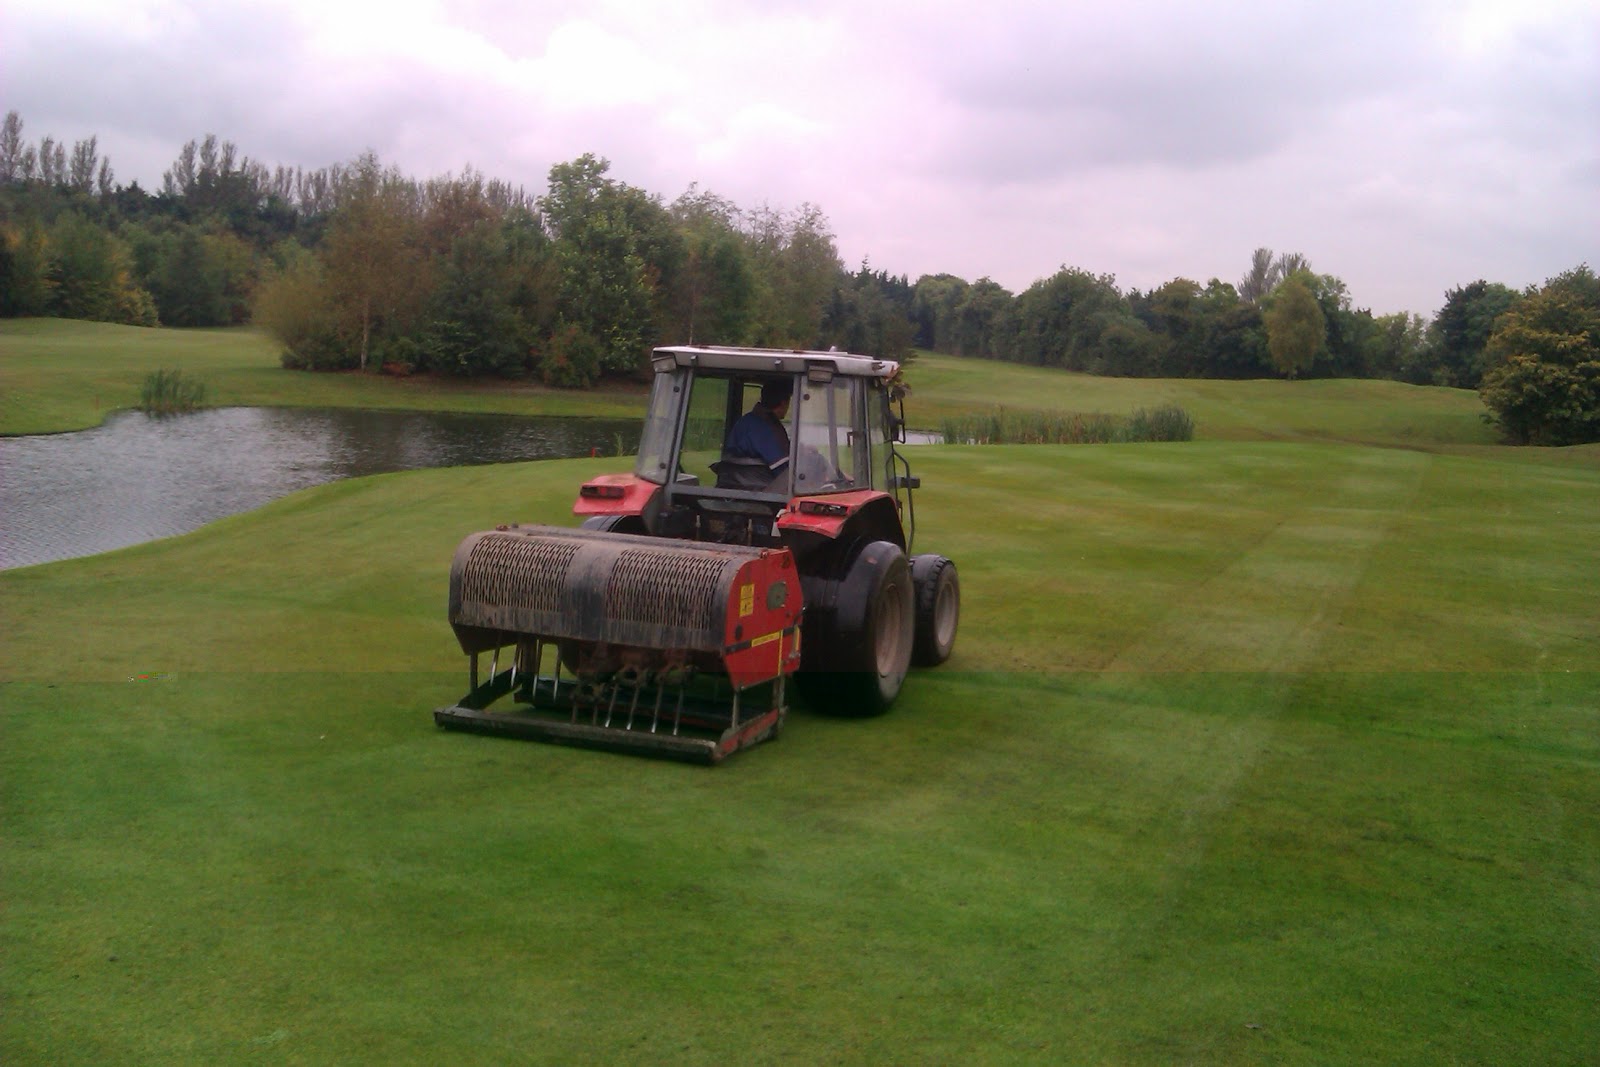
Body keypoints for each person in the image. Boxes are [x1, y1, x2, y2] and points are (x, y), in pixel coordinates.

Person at [722, 379, 793, 485]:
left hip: (732, 489)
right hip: (764, 493)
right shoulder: (771, 428)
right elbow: (784, 471)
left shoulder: (743, 422)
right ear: (783, 403)